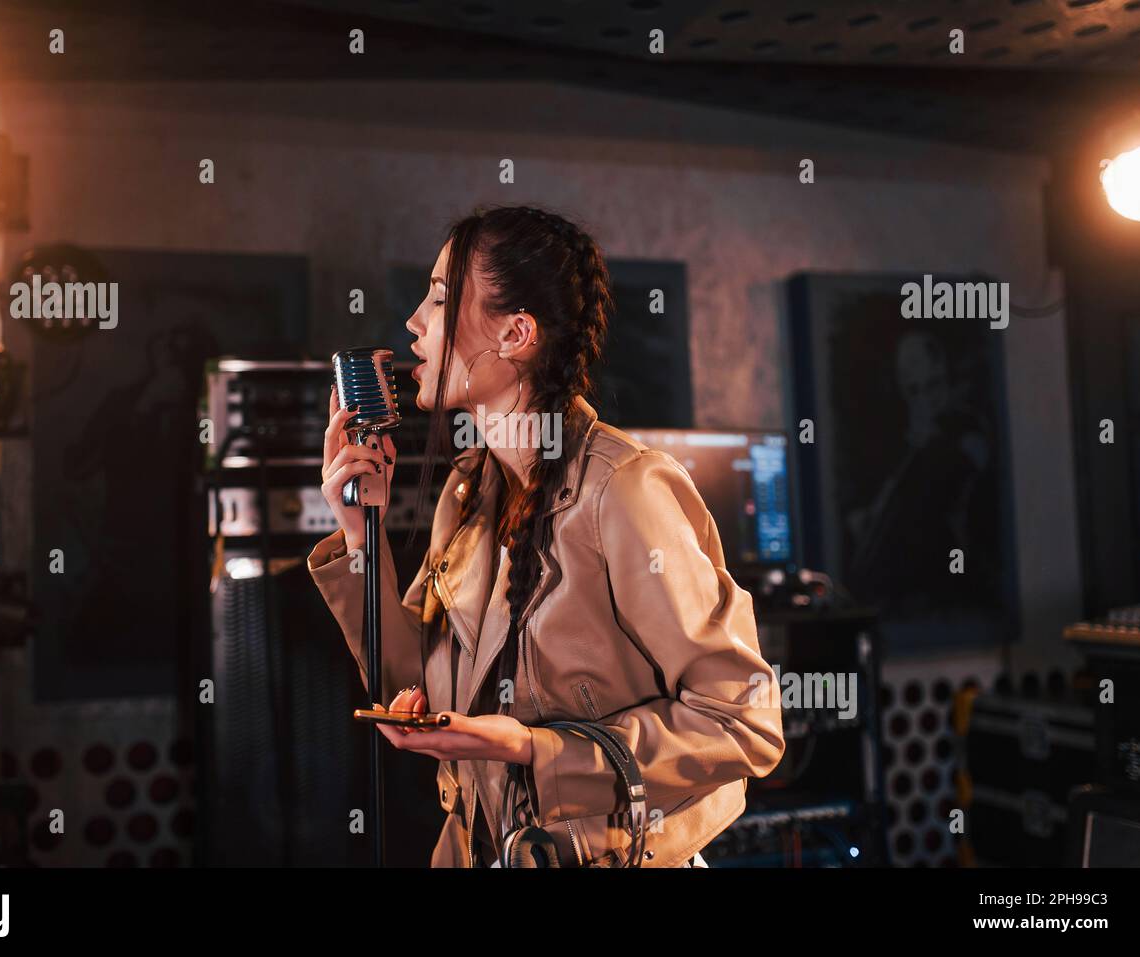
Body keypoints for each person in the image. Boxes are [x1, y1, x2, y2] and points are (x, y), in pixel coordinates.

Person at [310, 205, 784, 867]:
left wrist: (534, 749)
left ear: (516, 333)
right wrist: (363, 538)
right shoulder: (467, 494)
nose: (415, 322)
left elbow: (743, 724)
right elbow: (409, 682)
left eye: (441, 298)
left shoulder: (625, 491)